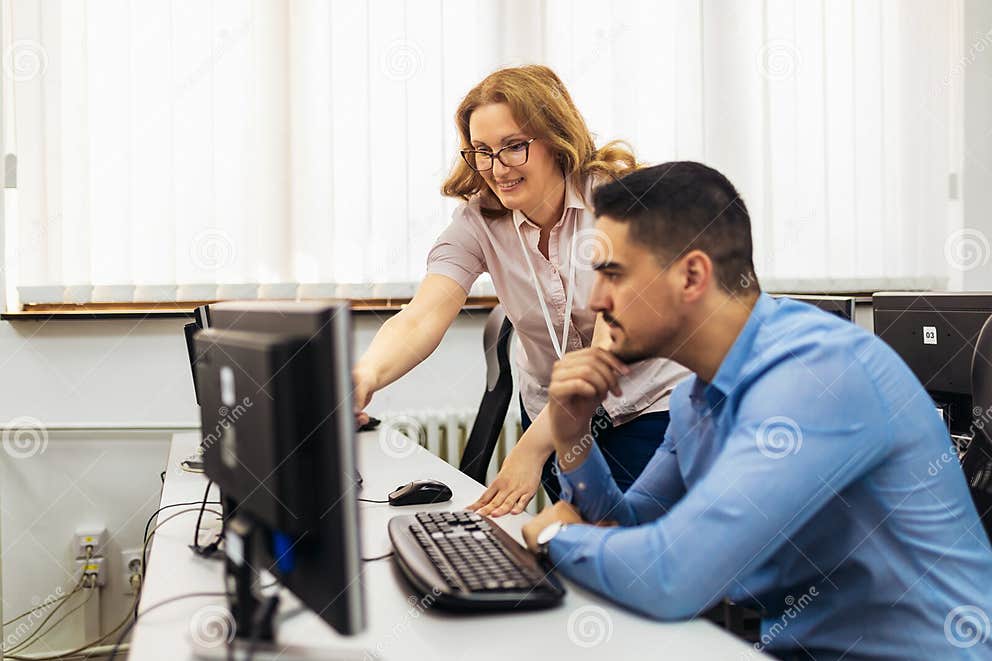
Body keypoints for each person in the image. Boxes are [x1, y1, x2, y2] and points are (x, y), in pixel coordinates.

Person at [522, 161, 992, 660]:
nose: (596, 300)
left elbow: (671, 578)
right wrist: (572, 434)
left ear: (692, 276)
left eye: (613, 274)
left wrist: (556, 535)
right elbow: (629, 528)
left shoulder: (814, 376)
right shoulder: (694, 397)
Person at [353, 66, 689, 516]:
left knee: (634, 546)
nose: (497, 168)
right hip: (553, 420)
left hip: (647, 410)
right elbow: (422, 315)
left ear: (555, 138)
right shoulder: (477, 222)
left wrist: (530, 450)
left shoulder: (619, 203)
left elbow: (610, 347)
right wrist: (365, 377)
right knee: (574, 541)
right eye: (482, 151)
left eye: (513, 146)